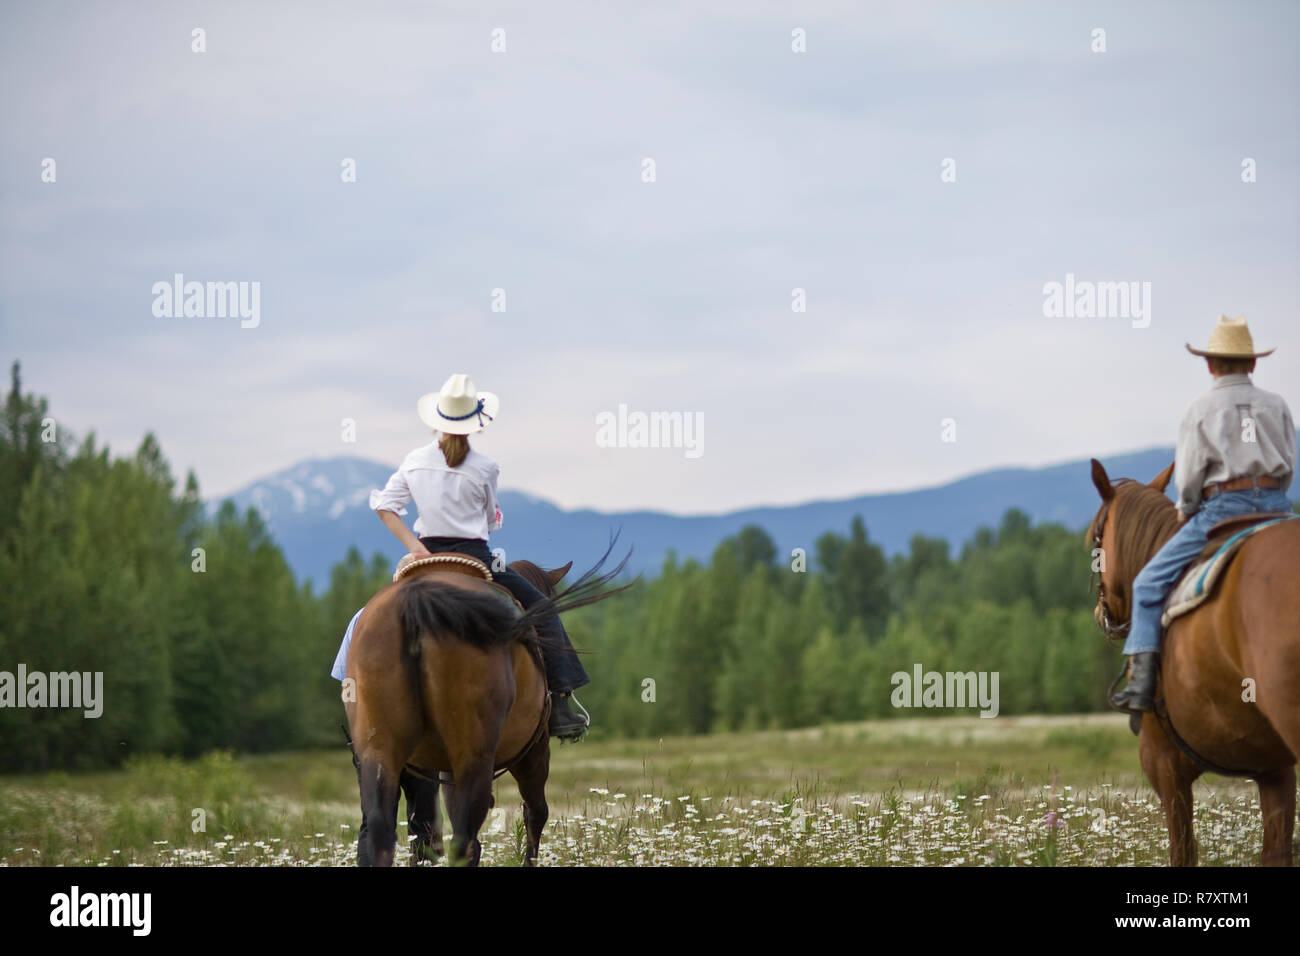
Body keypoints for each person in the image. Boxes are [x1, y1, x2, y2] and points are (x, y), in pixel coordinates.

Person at [368, 372, 592, 740]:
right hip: (476, 557)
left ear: (436, 419)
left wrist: (416, 549)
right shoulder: (486, 467)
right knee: (541, 608)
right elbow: (490, 521)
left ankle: (352, 687)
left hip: (425, 557)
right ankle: (561, 700)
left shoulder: (414, 460)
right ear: (476, 424)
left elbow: (385, 506)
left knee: (366, 617)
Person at [1110, 316, 1295, 714]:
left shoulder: (1201, 410)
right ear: (1253, 364)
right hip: (1280, 509)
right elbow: (1290, 464)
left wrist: (1186, 508)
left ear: (1210, 365)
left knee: (1146, 585)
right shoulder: (1276, 405)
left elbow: (1190, 475)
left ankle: (1141, 683)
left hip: (1223, 511)